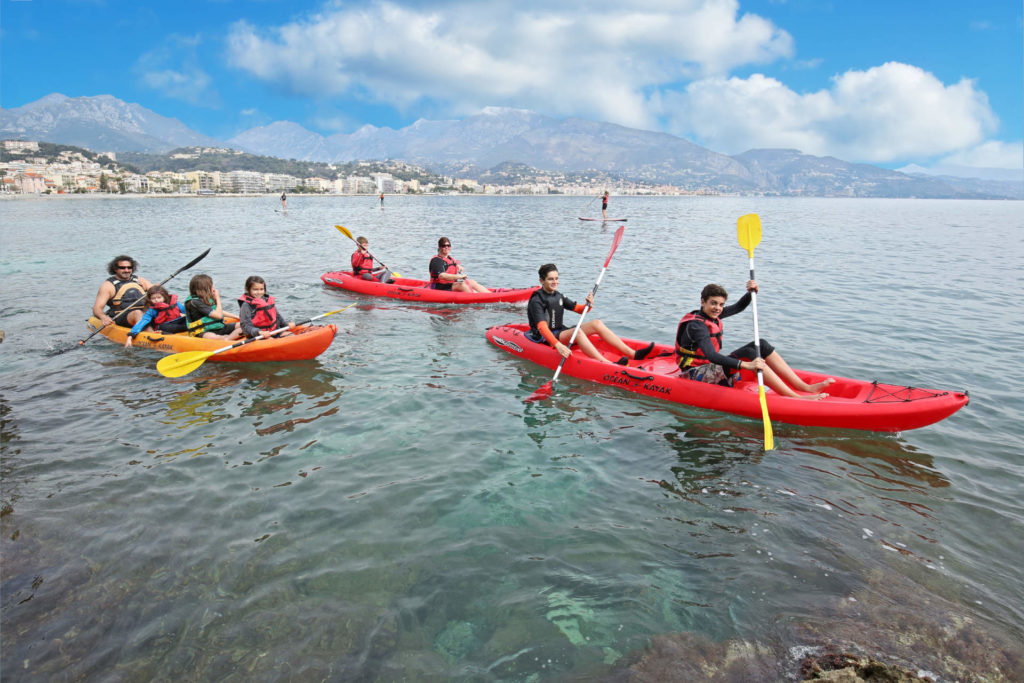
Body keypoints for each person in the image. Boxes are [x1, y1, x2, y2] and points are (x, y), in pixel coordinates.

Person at [676, 282, 834, 399]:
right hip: (694, 373)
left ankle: (804, 387)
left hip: (711, 367)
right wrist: (747, 365)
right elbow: (711, 356)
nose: (718, 308)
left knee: (762, 344)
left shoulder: (712, 315)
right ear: (703, 302)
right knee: (749, 353)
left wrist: (750, 292)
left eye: (721, 304)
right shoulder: (697, 326)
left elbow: (738, 307)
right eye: (713, 303)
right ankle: (794, 397)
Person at [526, 263, 655, 365]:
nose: (555, 282)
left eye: (557, 278)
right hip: (545, 338)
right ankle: (607, 364)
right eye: (550, 279)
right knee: (578, 332)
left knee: (597, 323)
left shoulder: (558, 295)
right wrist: (558, 346)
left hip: (559, 332)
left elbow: (579, 309)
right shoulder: (537, 300)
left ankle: (633, 354)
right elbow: (542, 328)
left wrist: (588, 304)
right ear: (541, 281)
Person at [92, 255, 153, 327]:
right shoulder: (108, 286)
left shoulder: (140, 280)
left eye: (129, 267)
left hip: (144, 312)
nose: (126, 270)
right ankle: (147, 334)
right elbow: (97, 308)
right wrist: (103, 317)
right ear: (115, 269)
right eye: (122, 268)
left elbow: (157, 294)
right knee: (137, 313)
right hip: (121, 316)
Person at [184, 274, 243, 340]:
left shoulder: (206, 299)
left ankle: (230, 337)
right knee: (212, 336)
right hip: (202, 332)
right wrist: (217, 298)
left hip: (218, 327)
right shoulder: (195, 302)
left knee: (245, 326)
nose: (213, 288)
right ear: (205, 288)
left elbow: (217, 311)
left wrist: (236, 317)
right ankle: (226, 339)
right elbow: (218, 315)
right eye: (211, 286)